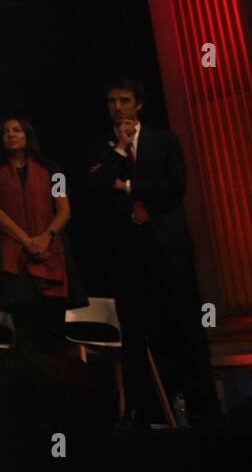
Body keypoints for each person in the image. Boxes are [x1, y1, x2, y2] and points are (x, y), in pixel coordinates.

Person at [85, 78, 219, 428]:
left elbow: (174, 187)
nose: (117, 107)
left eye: (124, 100)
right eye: (112, 101)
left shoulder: (164, 140)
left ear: (138, 105)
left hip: (166, 245)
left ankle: (202, 407)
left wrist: (127, 185)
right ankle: (140, 410)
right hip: (127, 250)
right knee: (134, 331)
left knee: (184, 325)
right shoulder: (102, 147)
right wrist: (119, 150)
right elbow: (95, 187)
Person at [0, 116, 85, 361]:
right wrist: (28, 241)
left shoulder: (53, 168)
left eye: (16, 130)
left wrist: (45, 238)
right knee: (25, 333)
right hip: (13, 256)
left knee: (54, 333)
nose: (11, 135)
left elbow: (65, 210)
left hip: (51, 252)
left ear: (28, 135)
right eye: (6, 131)